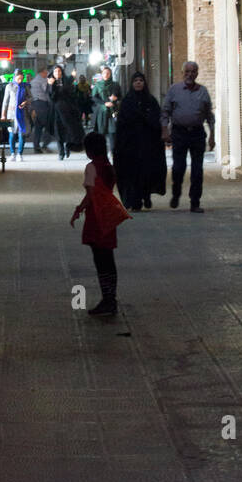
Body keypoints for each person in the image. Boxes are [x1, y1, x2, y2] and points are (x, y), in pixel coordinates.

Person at [70, 132, 121, 317]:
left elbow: (91, 195)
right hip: (108, 214)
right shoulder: (108, 166)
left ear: (89, 150)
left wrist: (79, 209)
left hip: (96, 217)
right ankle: (110, 297)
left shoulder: (91, 167)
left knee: (100, 260)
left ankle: (107, 300)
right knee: (108, 258)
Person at [161, 60, 215, 213]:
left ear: (197, 73)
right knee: (179, 167)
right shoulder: (174, 90)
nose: (190, 74)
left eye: (193, 72)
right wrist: (165, 131)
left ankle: (195, 202)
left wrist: (212, 136)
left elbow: (209, 116)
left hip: (197, 133)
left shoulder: (202, 91)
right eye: (187, 72)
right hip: (179, 133)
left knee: (197, 170)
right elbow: (165, 112)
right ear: (182, 73)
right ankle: (176, 193)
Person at [114, 70, 167, 212]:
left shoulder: (151, 101)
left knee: (147, 171)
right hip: (131, 145)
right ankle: (135, 200)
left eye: (141, 80)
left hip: (148, 144)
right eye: (136, 80)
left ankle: (146, 195)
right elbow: (121, 124)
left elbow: (156, 119)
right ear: (132, 84)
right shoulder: (127, 102)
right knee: (133, 173)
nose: (138, 83)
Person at [49, 64, 84, 160]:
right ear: (53, 73)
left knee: (68, 130)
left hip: (67, 109)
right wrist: (52, 85)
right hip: (56, 110)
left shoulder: (66, 81)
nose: (57, 73)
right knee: (58, 131)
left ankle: (67, 147)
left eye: (59, 71)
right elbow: (51, 97)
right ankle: (61, 152)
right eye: (55, 71)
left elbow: (72, 94)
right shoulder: (51, 82)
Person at [91, 65, 122, 158]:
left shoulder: (115, 84)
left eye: (108, 73)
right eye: (104, 73)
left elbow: (120, 96)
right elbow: (94, 98)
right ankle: (102, 152)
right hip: (102, 112)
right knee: (102, 132)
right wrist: (104, 103)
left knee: (113, 132)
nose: (106, 75)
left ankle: (112, 151)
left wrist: (116, 99)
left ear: (111, 74)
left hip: (113, 112)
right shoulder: (98, 85)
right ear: (102, 74)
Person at [1, 68, 29, 159]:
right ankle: (12, 153)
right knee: (12, 133)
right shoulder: (9, 86)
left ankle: (20, 154)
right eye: (18, 79)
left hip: (22, 113)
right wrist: (3, 114)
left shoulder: (26, 86)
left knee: (22, 133)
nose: (20, 81)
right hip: (11, 113)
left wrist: (26, 102)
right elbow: (5, 101)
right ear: (14, 77)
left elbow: (31, 98)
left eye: (21, 79)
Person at [29, 65, 52, 153]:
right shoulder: (42, 80)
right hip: (42, 104)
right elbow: (47, 90)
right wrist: (50, 83)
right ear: (42, 72)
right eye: (46, 72)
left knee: (38, 126)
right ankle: (44, 144)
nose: (47, 74)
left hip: (35, 104)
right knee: (48, 126)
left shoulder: (33, 80)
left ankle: (37, 146)